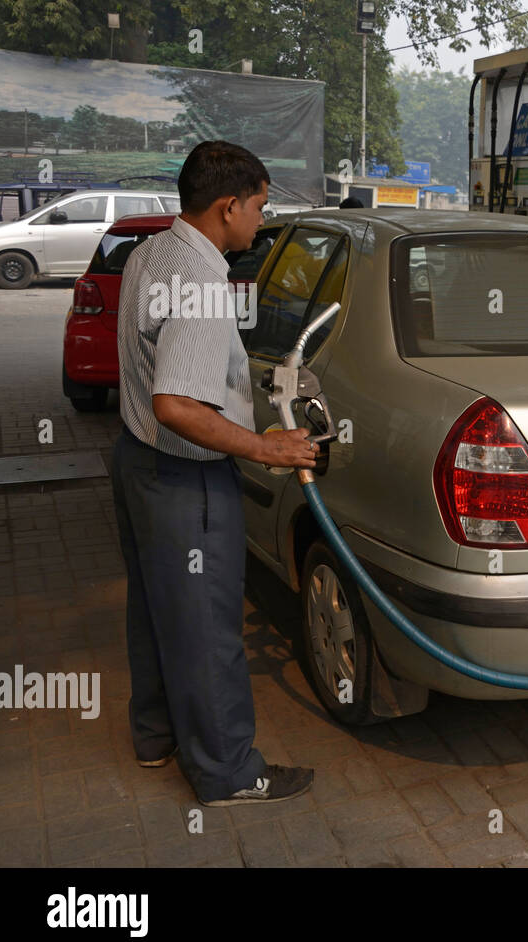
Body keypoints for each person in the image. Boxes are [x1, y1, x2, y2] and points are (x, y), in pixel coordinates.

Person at [112, 140, 316, 807]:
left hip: (137, 465)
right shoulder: (201, 282)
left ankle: (156, 735)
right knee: (206, 626)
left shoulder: (152, 253)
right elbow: (176, 404)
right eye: (258, 206)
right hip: (186, 480)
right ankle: (229, 772)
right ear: (228, 206)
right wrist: (267, 448)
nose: (261, 220)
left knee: (156, 607)